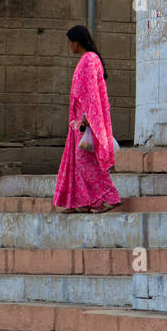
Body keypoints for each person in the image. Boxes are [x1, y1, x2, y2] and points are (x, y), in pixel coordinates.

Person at [53, 25, 120, 214]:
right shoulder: (88, 59)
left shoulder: (89, 60)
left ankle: (111, 196)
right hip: (78, 123)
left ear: (76, 42)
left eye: (69, 42)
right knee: (76, 162)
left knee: (85, 161)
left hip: (84, 122)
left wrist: (86, 118)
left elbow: (90, 92)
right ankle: (83, 202)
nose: (69, 46)